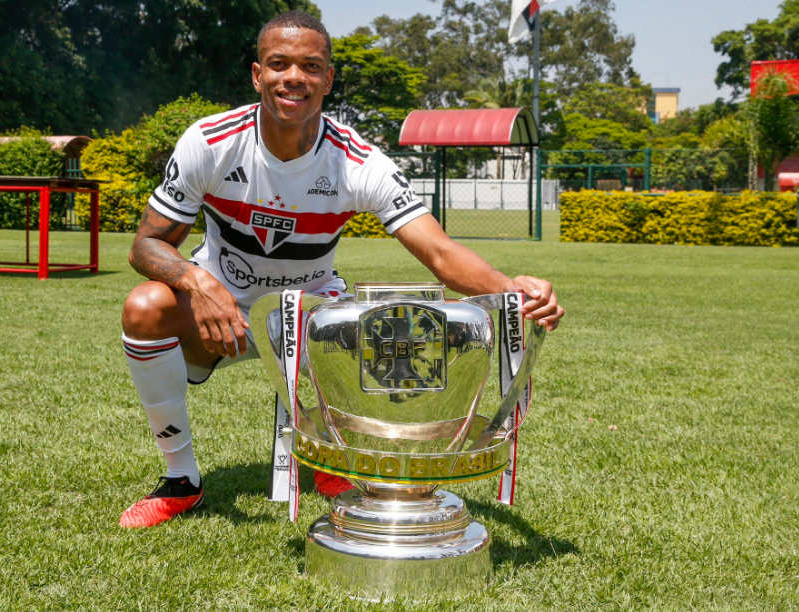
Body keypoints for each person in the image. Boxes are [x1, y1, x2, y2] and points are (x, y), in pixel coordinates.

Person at [119, 10, 564, 528]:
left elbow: (439, 252)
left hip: (310, 317)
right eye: (278, 64)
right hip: (219, 310)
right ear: (257, 74)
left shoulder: (357, 159)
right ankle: (181, 481)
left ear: (328, 79)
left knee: (360, 322)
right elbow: (145, 246)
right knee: (143, 307)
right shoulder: (211, 141)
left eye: (310, 66)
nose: (294, 78)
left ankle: (331, 457)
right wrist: (198, 281)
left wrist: (514, 292)